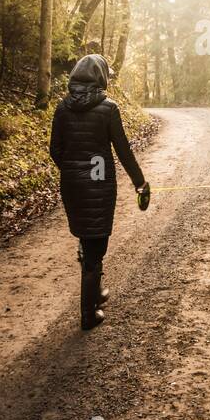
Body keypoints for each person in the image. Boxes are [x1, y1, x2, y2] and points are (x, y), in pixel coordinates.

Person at [49, 54, 149, 330]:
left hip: (72, 186)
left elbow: (55, 150)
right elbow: (124, 151)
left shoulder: (62, 107)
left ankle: (97, 292)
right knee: (96, 250)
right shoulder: (109, 108)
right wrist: (140, 183)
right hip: (101, 185)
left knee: (86, 238)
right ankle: (88, 315)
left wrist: (73, 170)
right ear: (100, 77)